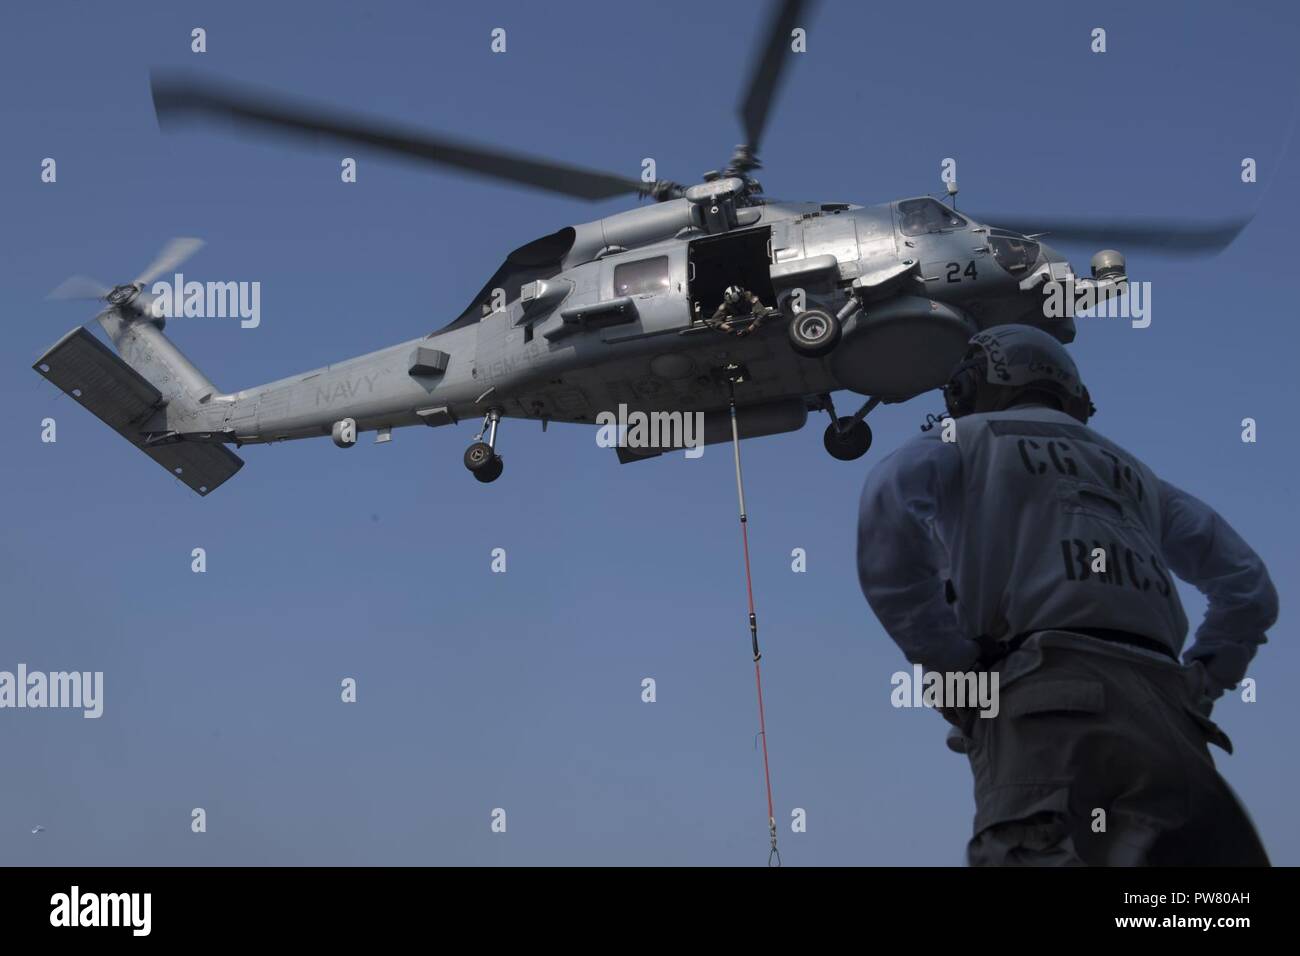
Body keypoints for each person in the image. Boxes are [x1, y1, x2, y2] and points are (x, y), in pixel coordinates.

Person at [857, 324, 1277, 866]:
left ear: (966, 387)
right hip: (1170, 719)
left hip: (1044, 698)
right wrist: (1203, 682)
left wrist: (952, 664)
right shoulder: (1137, 475)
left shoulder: (960, 441)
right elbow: (1249, 589)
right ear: (1078, 399)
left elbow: (887, 521)